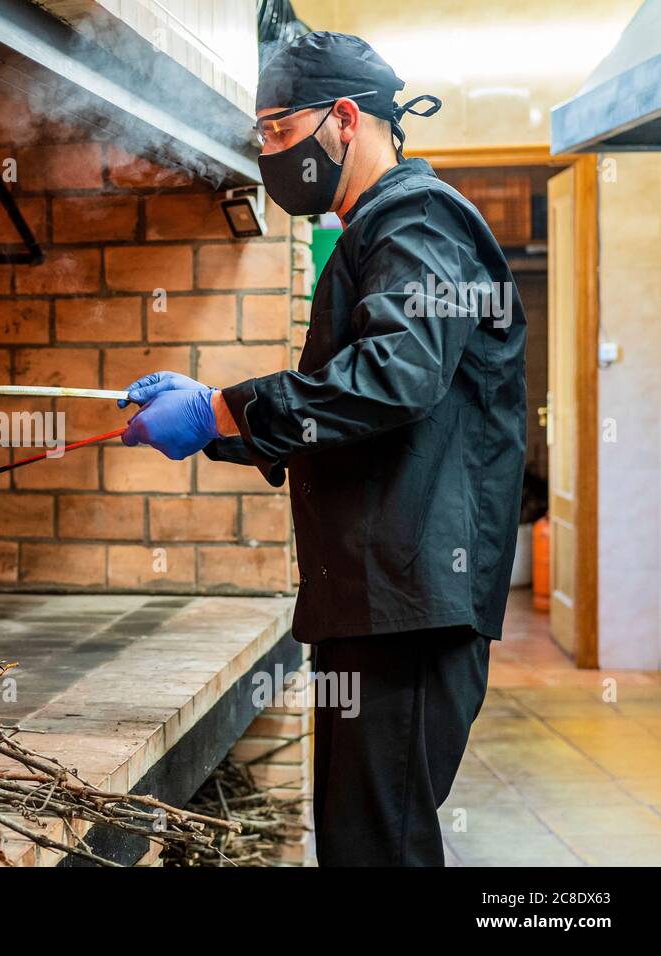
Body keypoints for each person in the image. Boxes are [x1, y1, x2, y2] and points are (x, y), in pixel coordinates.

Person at [119, 32, 526, 866]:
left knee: (376, 846)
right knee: (359, 841)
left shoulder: (418, 216)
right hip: (379, 595)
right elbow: (358, 417)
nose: (267, 152)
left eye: (277, 130)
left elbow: (393, 378)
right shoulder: (380, 226)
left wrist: (221, 410)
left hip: (410, 599)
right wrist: (212, 425)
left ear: (345, 118)